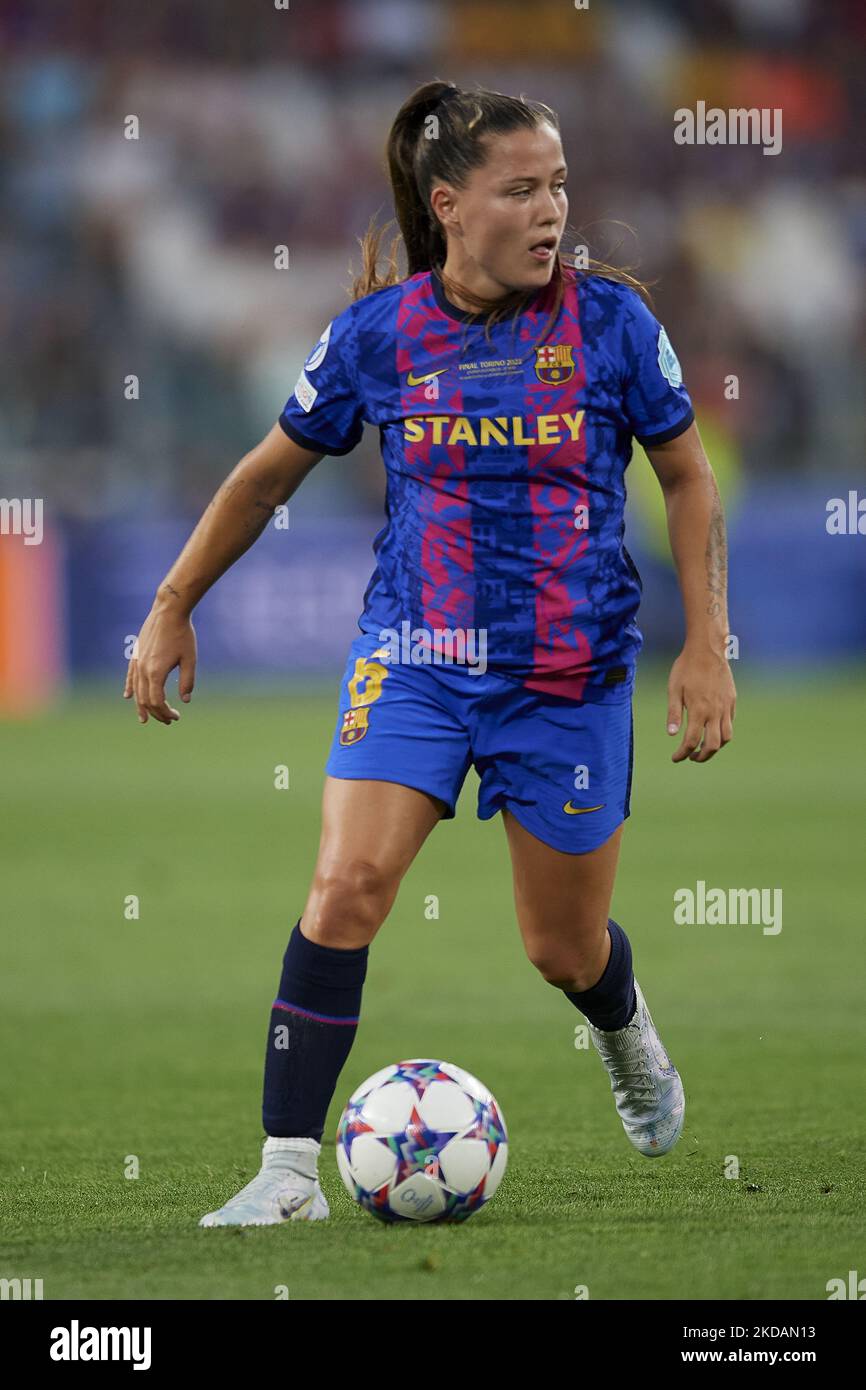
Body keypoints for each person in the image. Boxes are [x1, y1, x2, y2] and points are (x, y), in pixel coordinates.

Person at [124, 80, 735, 1226]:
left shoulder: (610, 326)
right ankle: (287, 1174)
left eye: (557, 184)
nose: (550, 209)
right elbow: (265, 476)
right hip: (412, 651)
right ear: (448, 205)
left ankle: (623, 1026)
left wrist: (706, 644)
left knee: (560, 946)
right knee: (345, 885)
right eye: (520, 188)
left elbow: (688, 476)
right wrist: (170, 604)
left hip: (566, 672)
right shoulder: (376, 336)